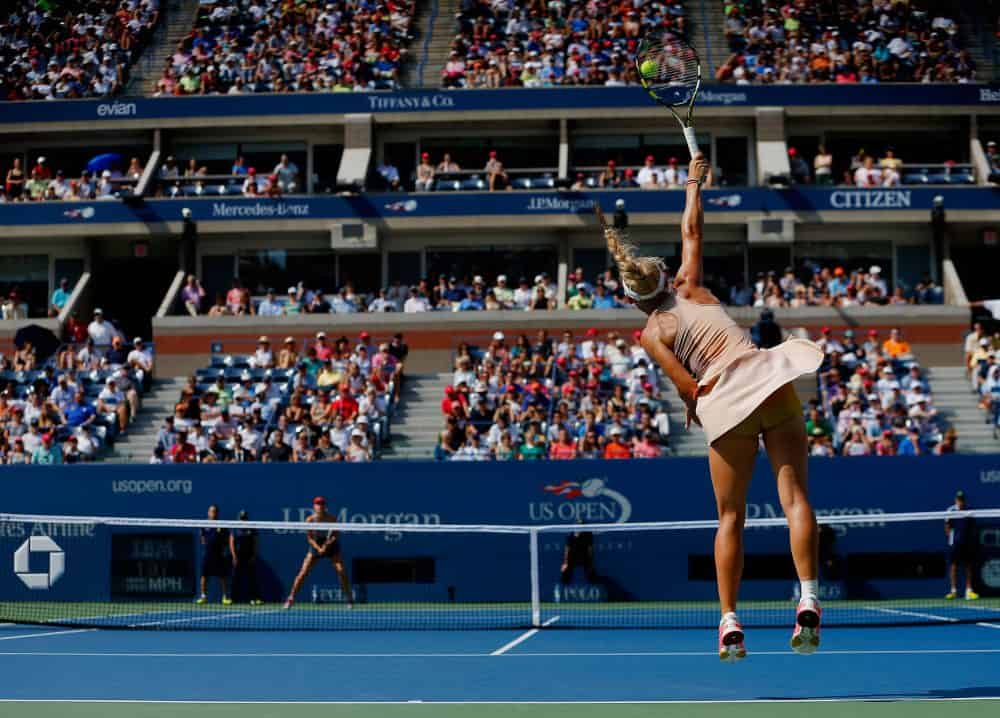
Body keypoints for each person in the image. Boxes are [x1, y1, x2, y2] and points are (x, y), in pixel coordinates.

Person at [597, 152, 823, 662]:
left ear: (635, 299)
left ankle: (729, 621)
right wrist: (693, 183)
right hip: (768, 381)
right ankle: (808, 594)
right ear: (663, 279)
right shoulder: (691, 287)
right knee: (795, 500)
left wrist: (692, 407)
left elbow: (688, 387)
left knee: (730, 518)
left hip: (725, 402)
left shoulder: (651, 334)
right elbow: (692, 230)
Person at [284, 497, 353, 609]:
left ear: (325, 506)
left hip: (331, 546)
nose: (320, 506)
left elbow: (335, 535)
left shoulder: (332, 518)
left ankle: (349, 599)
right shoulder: (310, 520)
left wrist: (328, 544)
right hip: (315, 545)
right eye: (317, 504)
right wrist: (319, 548)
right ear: (314, 506)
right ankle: (291, 598)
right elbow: (309, 538)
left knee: (341, 571)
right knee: (303, 573)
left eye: (322, 504)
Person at [945, 491, 980, 601]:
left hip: (967, 544)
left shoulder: (969, 511)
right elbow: (947, 527)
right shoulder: (950, 511)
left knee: (968, 566)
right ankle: (953, 591)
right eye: (959, 499)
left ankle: (968, 591)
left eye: (962, 499)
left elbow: (972, 528)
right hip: (955, 544)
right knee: (953, 567)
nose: (960, 501)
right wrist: (953, 539)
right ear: (955, 500)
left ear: (964, 500)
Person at [196, 505, 231, 605]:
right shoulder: (204, 524)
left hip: (219, 554)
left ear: (217, 513)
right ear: (208, 513)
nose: (213, 513)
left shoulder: (221, 525)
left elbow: (226, 538)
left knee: (223, 576)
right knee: (204, 576)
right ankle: (203, 596)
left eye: (215, 511)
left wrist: (222, 548)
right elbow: (202, 537)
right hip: (207, 554)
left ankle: (225, 597)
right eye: (211, 511)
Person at [229, 510, 263, 605]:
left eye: (244, 518)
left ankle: (253, 598)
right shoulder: (235, 528)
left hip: (249, 556)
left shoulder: (251, 528)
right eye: (241, 518)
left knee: (251, 578)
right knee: (235, 578)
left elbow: (255, 542)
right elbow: (231, 542)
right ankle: (232, 598)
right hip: (238, 556)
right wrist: (234, 556)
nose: (243, 520)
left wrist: (254, 555)